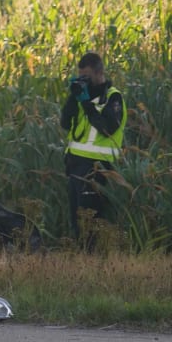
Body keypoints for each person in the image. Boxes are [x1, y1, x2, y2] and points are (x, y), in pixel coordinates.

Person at [59, 52, 126, 241]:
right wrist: (74, 98)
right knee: (76, 221)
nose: (84, 81)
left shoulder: (113, 98)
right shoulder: (81, 97)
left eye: (87, 77)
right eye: (81, 77)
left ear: (99, 73)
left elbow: (108, 129)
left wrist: (87, 104)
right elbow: (65, 124)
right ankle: (80, 261)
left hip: (97, 168)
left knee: (91, 222)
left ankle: (93, 261)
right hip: (75, 166)